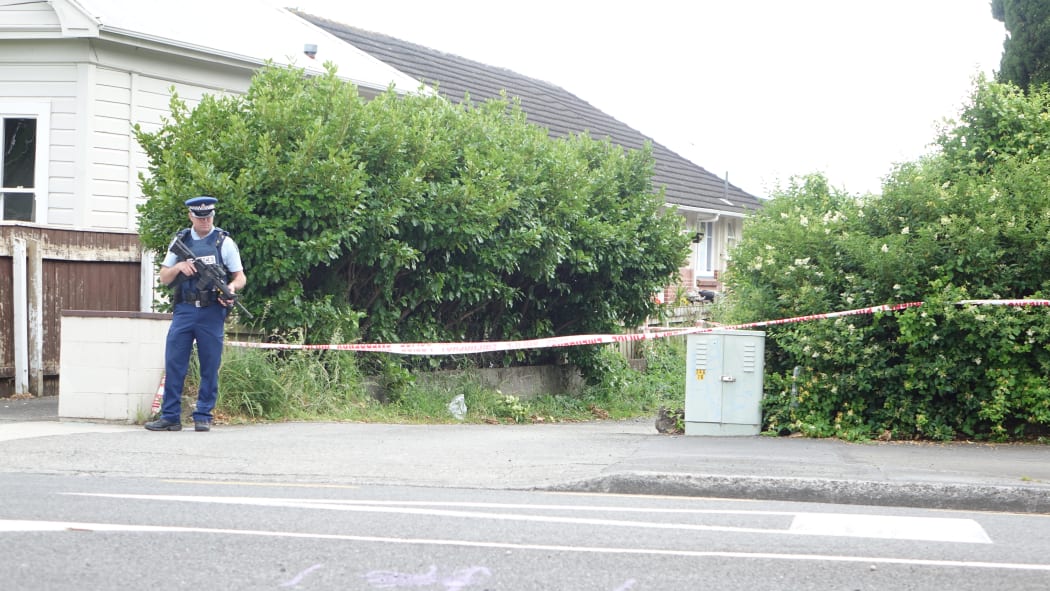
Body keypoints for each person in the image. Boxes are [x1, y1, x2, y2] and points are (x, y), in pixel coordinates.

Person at [145, 196, 247, 432]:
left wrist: (230, 289)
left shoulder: (224, 242)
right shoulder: (181, 240)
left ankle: (203, 415)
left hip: (212, 311)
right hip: (185, 309)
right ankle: (170, 416)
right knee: (174, 361)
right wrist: (179, 267)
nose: (205, 221)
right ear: (191, 216)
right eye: (201, 217)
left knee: (210, 364)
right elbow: (164, 277)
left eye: (209, 217)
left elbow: (240, 276)